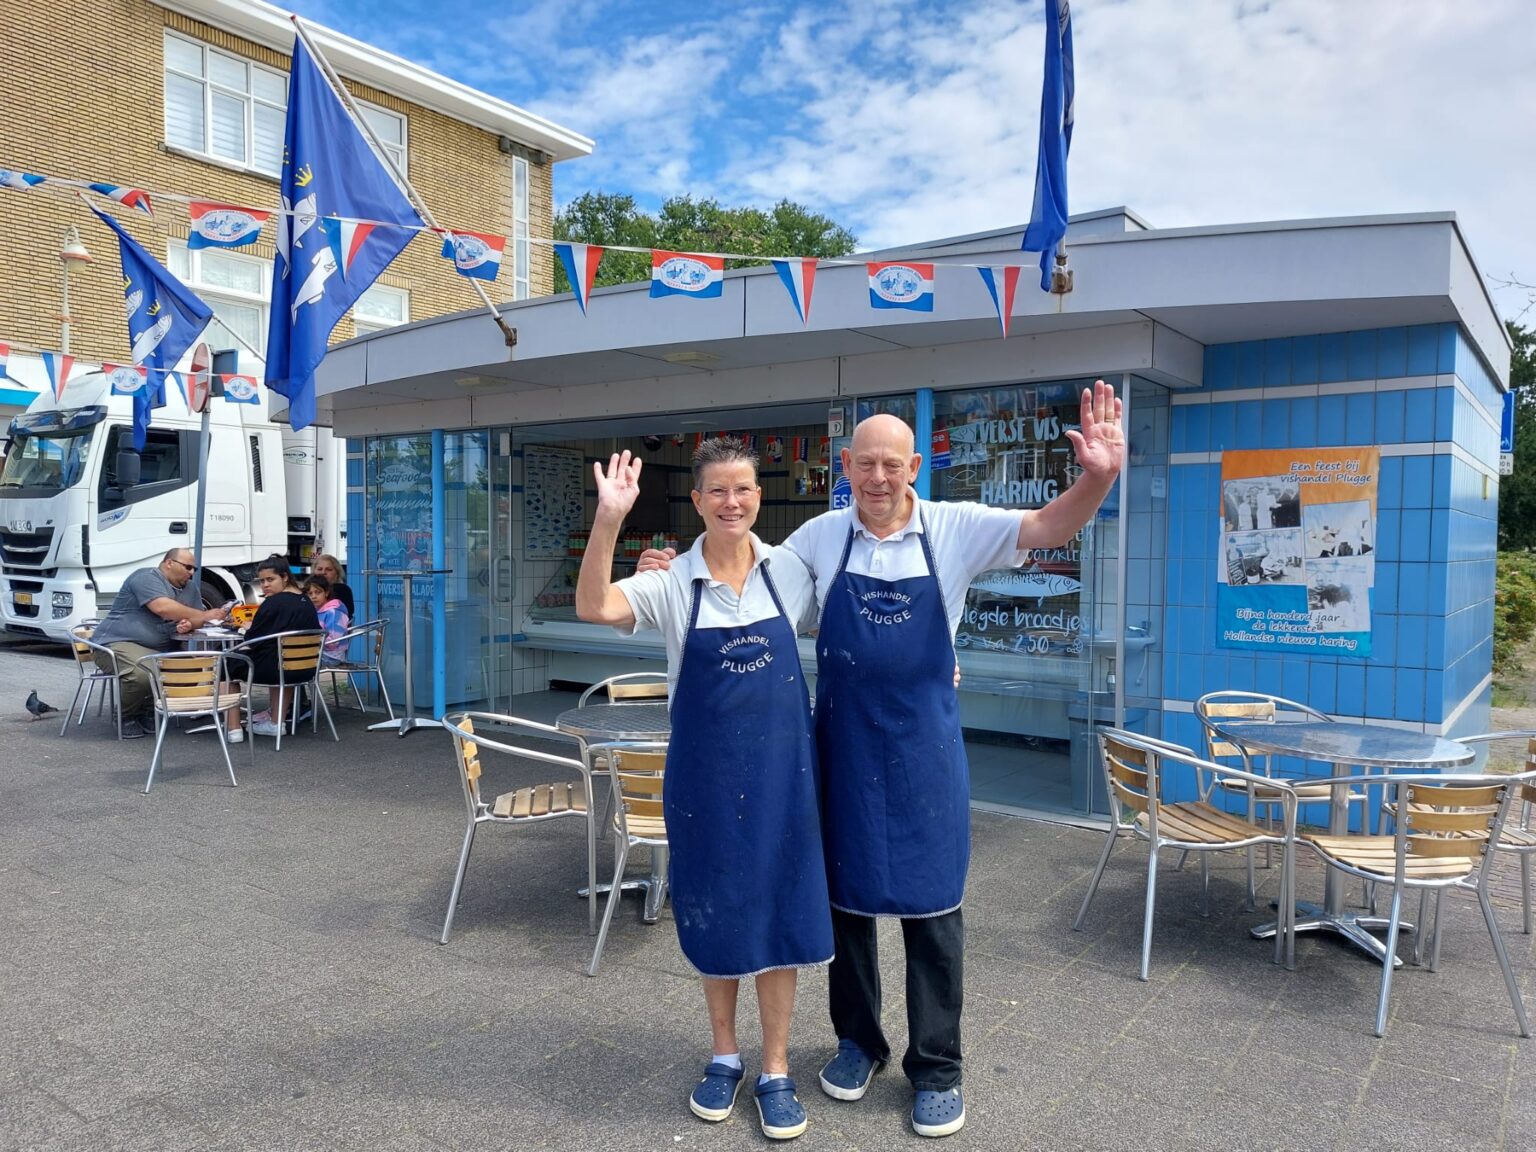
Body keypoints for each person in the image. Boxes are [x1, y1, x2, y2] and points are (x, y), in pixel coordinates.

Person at [639, 381, 1124, 1137]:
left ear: (915, 467)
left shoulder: (956, 527)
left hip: (925, 747)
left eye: (891, 464)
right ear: (845, 465)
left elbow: (1049, 525)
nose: (877, 478)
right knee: (846, 903)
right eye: (865, 464)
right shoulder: (817, 541)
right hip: (839, 743)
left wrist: (1097, 476)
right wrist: (666, 571)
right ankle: (858, 1042)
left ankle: (937, 1066)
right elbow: (739, 571)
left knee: (934, 908)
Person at [576, 437, 830, 1142]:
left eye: (743, 489)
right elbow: (594, 605)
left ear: (758, 496)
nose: (732, 502)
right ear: (696, 501)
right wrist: (610, 519)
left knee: (779, 923)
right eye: (717, 490)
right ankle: (725, 1056)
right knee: (718, 917)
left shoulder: (790, 572)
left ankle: (776, 1070)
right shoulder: (671, 582)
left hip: (784, 781)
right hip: (707, 783)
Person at [90, 547, 230, 739]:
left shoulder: (190, 588)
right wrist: (203, 615)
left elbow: (199, 618)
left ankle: (148, 708)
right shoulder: (146, 577)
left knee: (190, 670)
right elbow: (163, 608)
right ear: (169, 563)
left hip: (161, 647)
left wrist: (189, 623)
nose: (191, 572)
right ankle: (126, 715)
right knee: (141, 673)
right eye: (188, 567)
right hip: (117, 643)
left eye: (194, 569)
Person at [240, 556, 321, 737]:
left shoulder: (273, 603)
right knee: (281, 659)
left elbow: (254, 639)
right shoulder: (306, 601)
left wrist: (247, 629)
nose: (265, 585)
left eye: (270, 579)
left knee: (226, 665)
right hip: (305, 669)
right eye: (261, 581)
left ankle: (233, 729)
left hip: (275, 669)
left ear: (284, 577)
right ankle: (277, 722)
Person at [303, 576, 350, 665]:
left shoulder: (334, 612)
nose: (313, 596)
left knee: (294, 661)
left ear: (326, 592)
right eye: (310, 593)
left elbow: (333, 641)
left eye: (317, 592)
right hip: (321, 652)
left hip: (332, 656)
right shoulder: (317, 610)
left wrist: (311, 640)